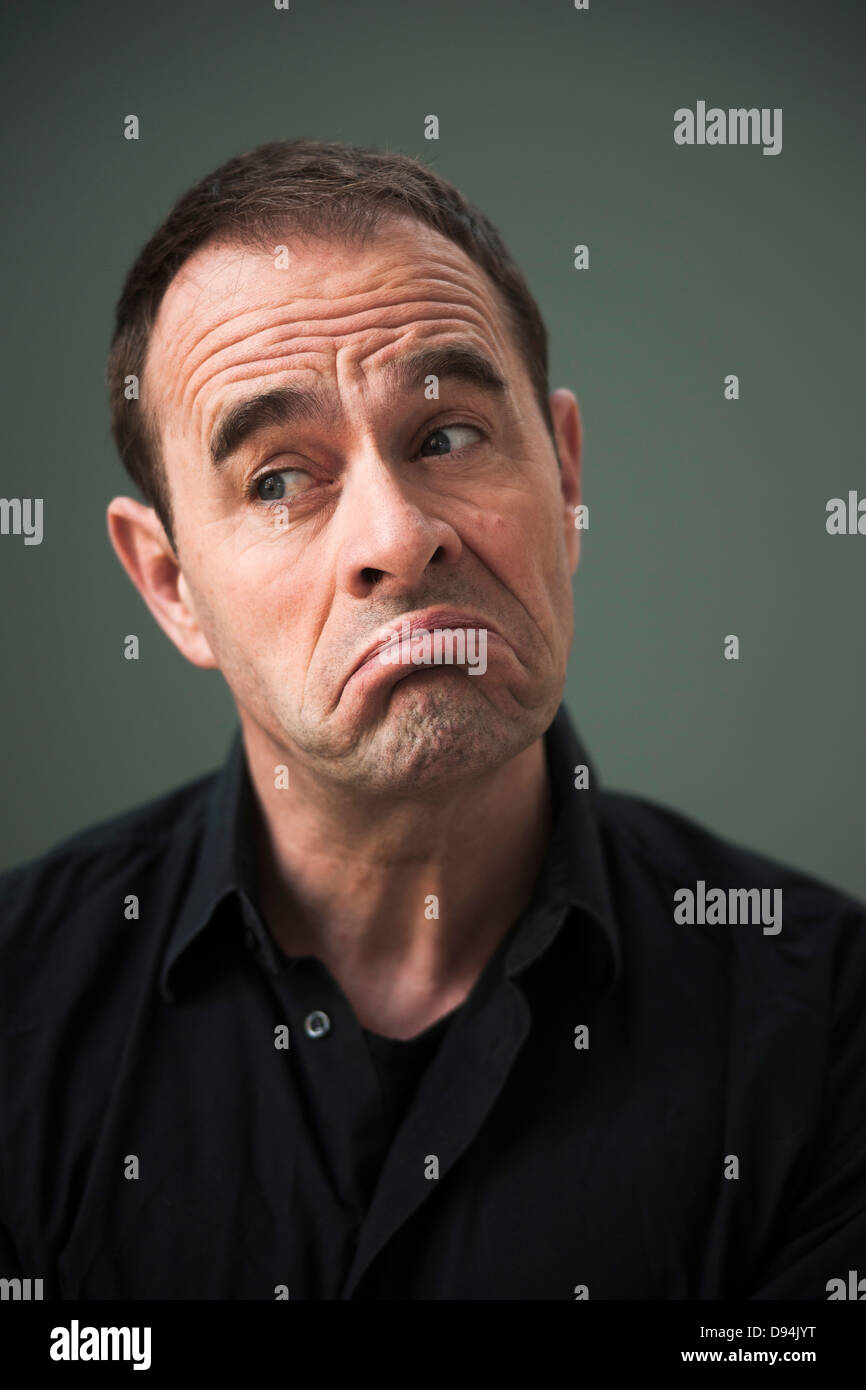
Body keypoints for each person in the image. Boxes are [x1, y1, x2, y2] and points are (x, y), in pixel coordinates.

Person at [1, 140, 863, 1301]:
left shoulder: (828, 1028)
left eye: (446, 436)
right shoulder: (18, 1015)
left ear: (563, 483)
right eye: (276, 480)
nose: (397, 539)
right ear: (169, 586)